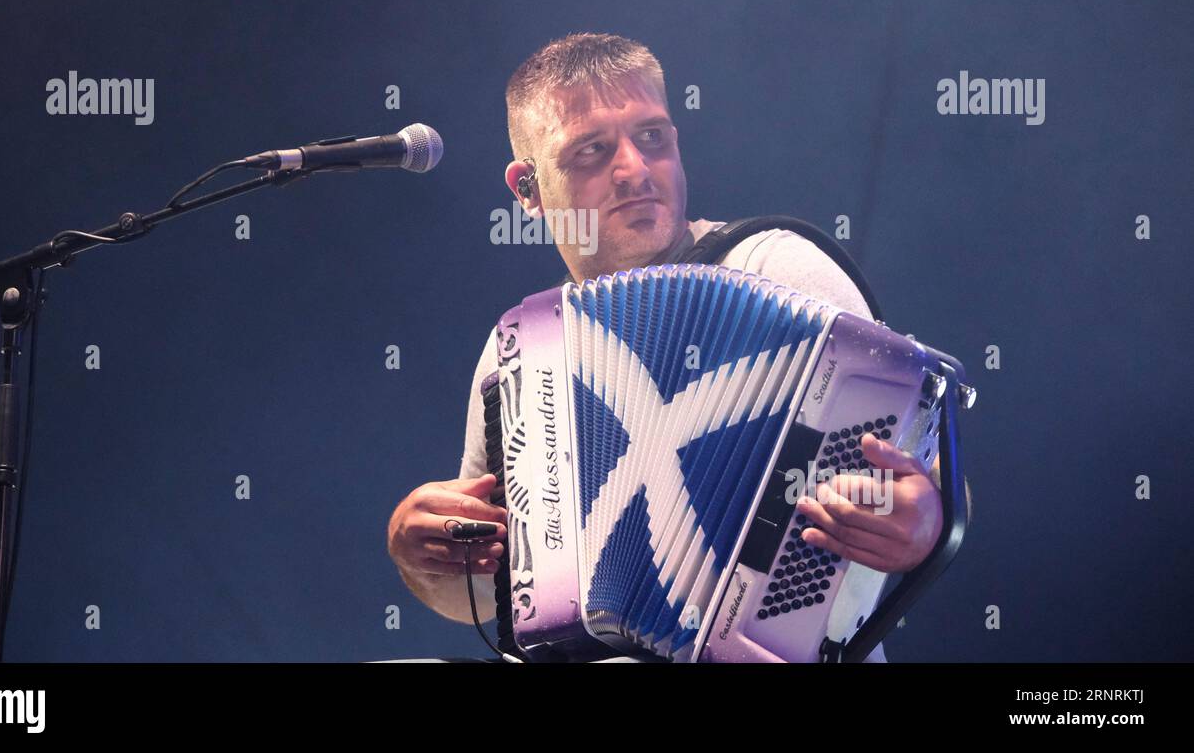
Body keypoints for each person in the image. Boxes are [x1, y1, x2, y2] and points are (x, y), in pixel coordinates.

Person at [386, 33, 943, 658]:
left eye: (652, 137)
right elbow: (490, 596)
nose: (633, 168)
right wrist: (423, 556)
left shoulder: (777, 270)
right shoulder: (520, 344)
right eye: (593, 151)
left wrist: (925, 520)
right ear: (527, 189)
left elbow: (918, 465)